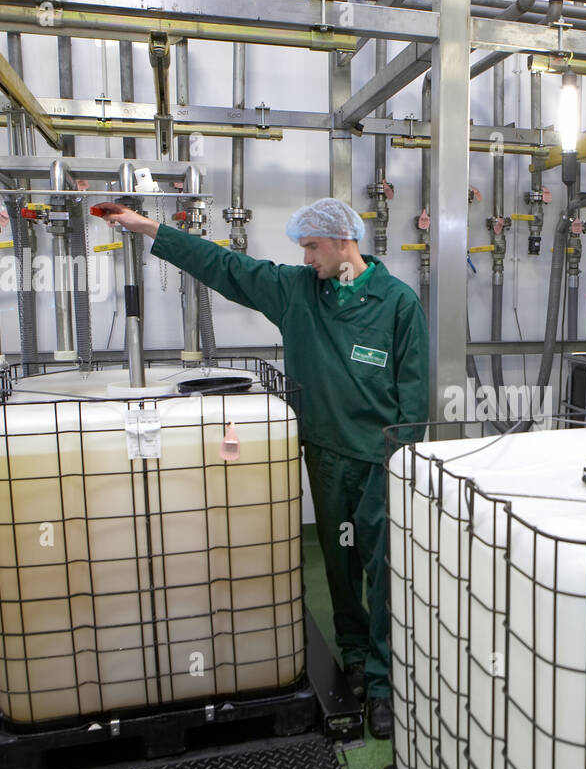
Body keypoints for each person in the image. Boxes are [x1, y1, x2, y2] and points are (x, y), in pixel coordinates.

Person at [92, 198, 428, 740]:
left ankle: (386, 683)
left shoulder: (397, 304)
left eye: (312, 247)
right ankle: (356, 659)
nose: (307, 257)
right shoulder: (297, 292)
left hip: (380, 462)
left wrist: (402, 464)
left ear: (345, 241)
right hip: (323, 453)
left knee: (384, 571)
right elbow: (225, 268)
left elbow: (414, 398)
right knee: (340, 569)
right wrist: (150, 228)